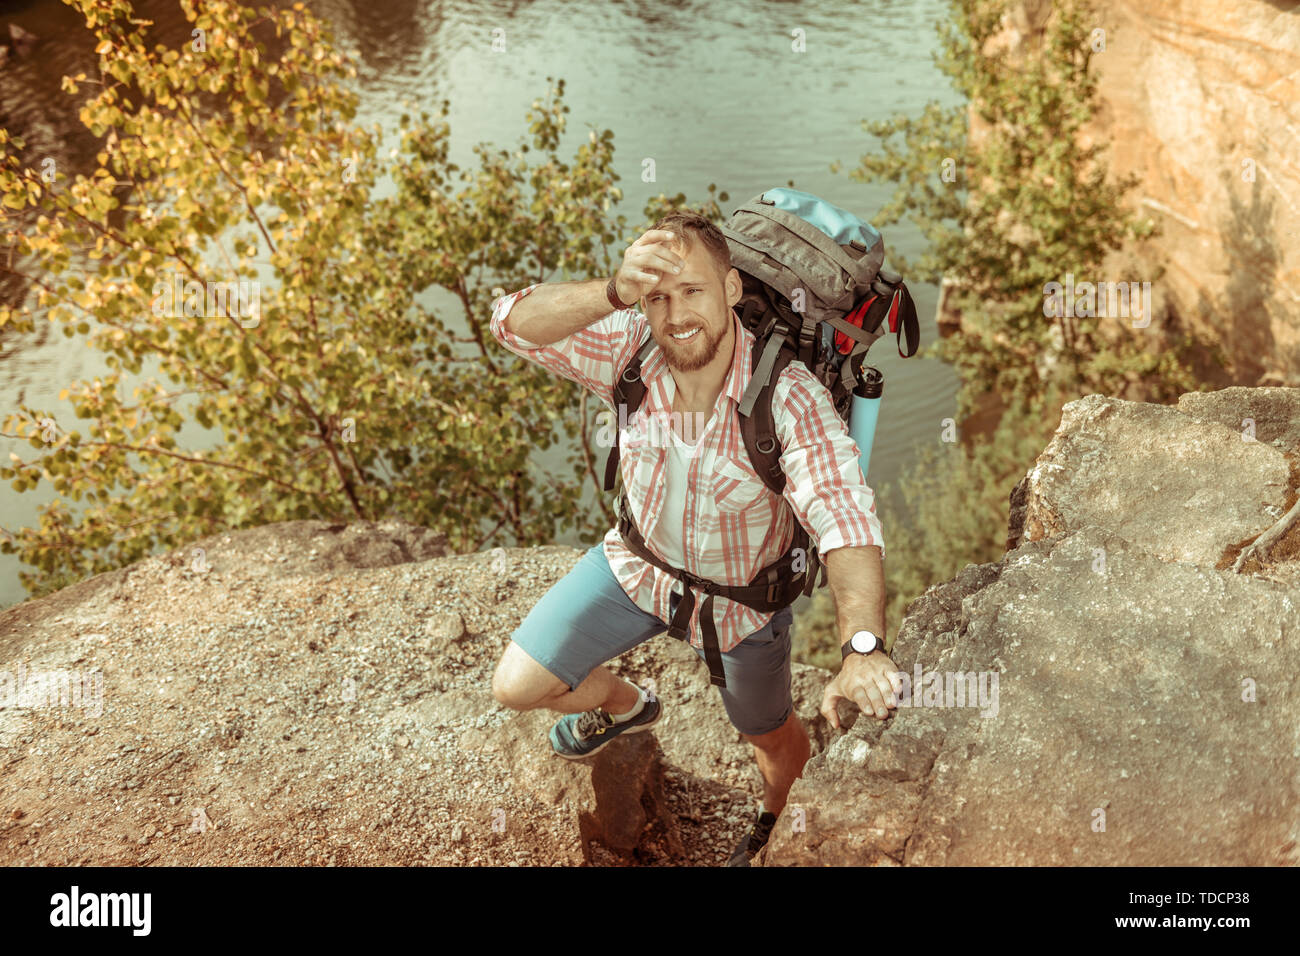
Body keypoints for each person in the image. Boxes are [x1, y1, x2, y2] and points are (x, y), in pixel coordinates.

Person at [488, 211, 901, 866]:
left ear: (732, 290)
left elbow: (843, 516)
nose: (676, 314)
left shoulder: (787, 399)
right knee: (515, 685)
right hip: (637, 570)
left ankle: (774, 819)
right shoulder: (632, 346)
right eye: (658, 295)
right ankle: (629, 707)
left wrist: (861, 646)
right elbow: (509, 321)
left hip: (742, 605)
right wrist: (613, 292)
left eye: (693, 291)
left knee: (764, 735)